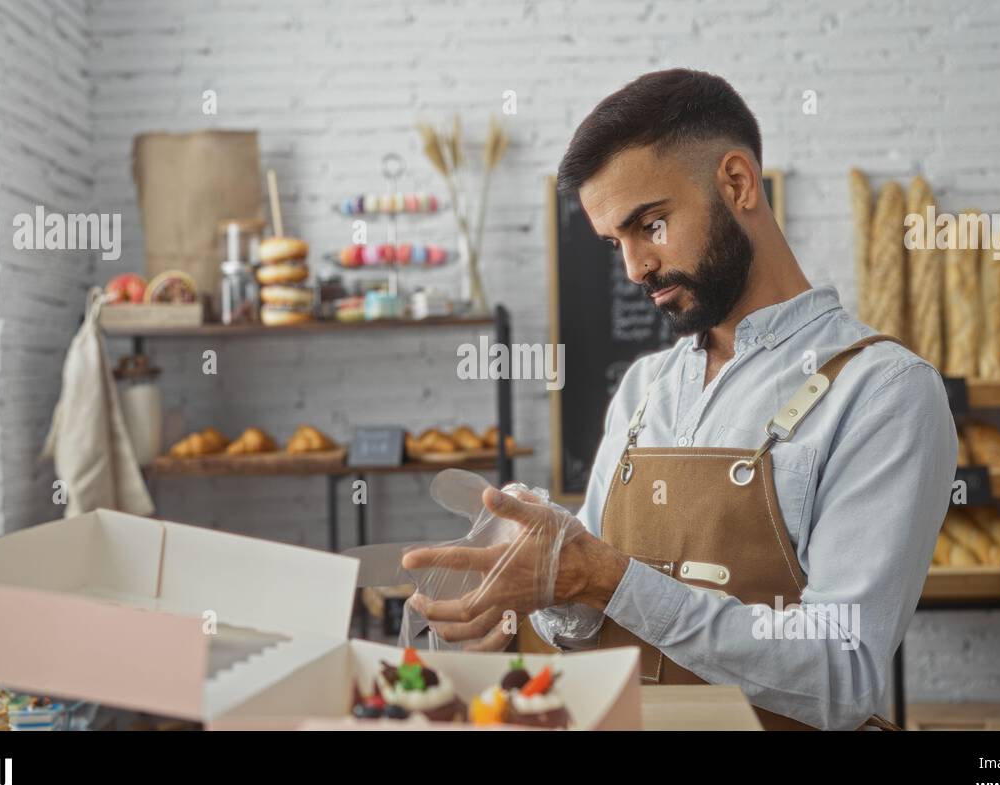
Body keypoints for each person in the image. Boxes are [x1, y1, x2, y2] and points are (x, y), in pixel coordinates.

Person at [403, 68, 957, 730]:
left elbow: (842, 675)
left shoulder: (883, 391)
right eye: (618, 243)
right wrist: (548, 581)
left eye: (652, 224)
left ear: (737, 183)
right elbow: (600, 623)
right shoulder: (645, 388)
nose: (636, 267)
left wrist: (602, 575)